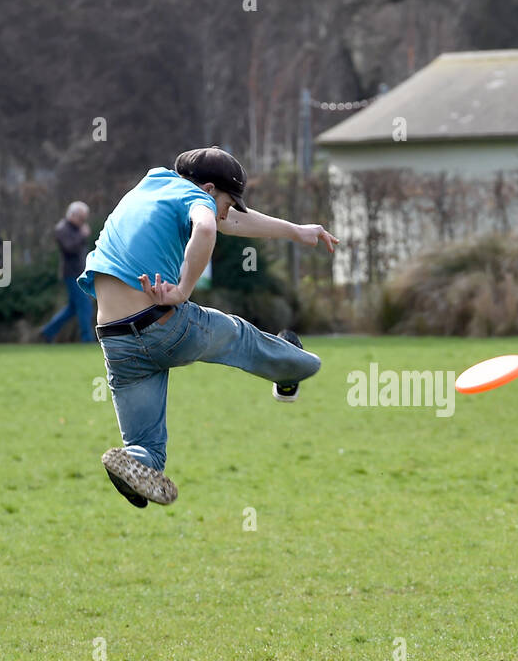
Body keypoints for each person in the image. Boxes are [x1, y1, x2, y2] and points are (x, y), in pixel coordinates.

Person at [80, 146, 338, 509]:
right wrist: (183, 290)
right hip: (165, 327)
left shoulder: (149, 189)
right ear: (209, 188)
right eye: (229, 203)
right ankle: (292, 364)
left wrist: (295, 231)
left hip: (117, 342)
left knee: (147, 446)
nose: (227, 213)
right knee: (241, 337)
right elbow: (206, 226)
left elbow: (223, 221)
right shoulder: (195, 197)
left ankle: (135, 465)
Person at [41, 201, 95, 343]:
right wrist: (83, 236)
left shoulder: (75, 229)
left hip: (79, 272)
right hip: (71, 274)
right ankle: (87, 339)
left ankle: (48, 332)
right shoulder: (62, 229)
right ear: (73, 214)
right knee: (85, 305)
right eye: (82, 218)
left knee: (72, 308)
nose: (83, 222)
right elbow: (69, 248)